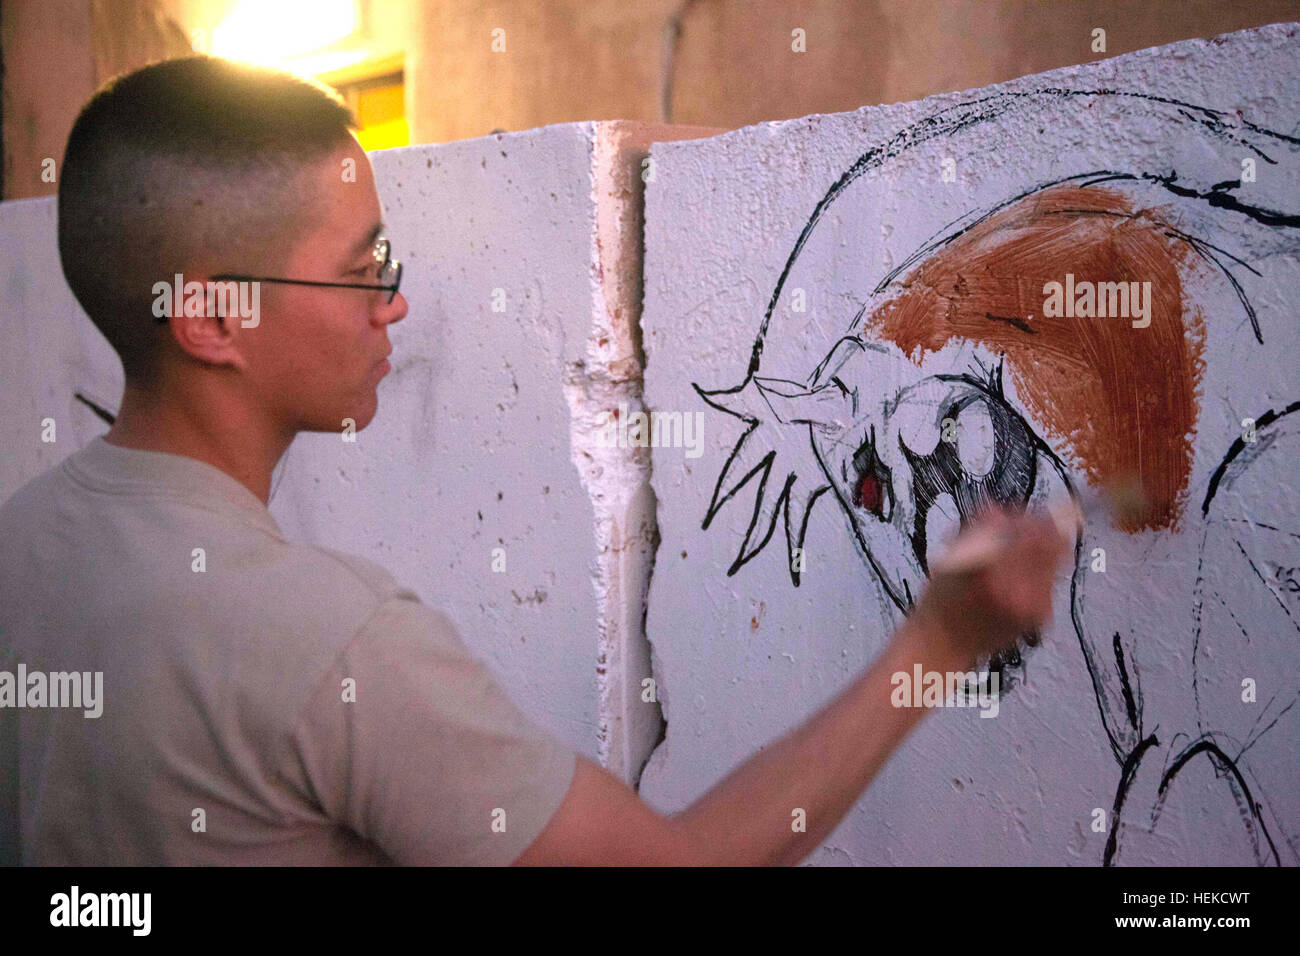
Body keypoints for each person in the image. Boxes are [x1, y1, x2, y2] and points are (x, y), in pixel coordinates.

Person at [0, 55, 1067, 866]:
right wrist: (938, 637)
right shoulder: (332, 642)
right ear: (210, 318)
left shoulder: (23, 543)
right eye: (359, 267)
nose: (396, 300)